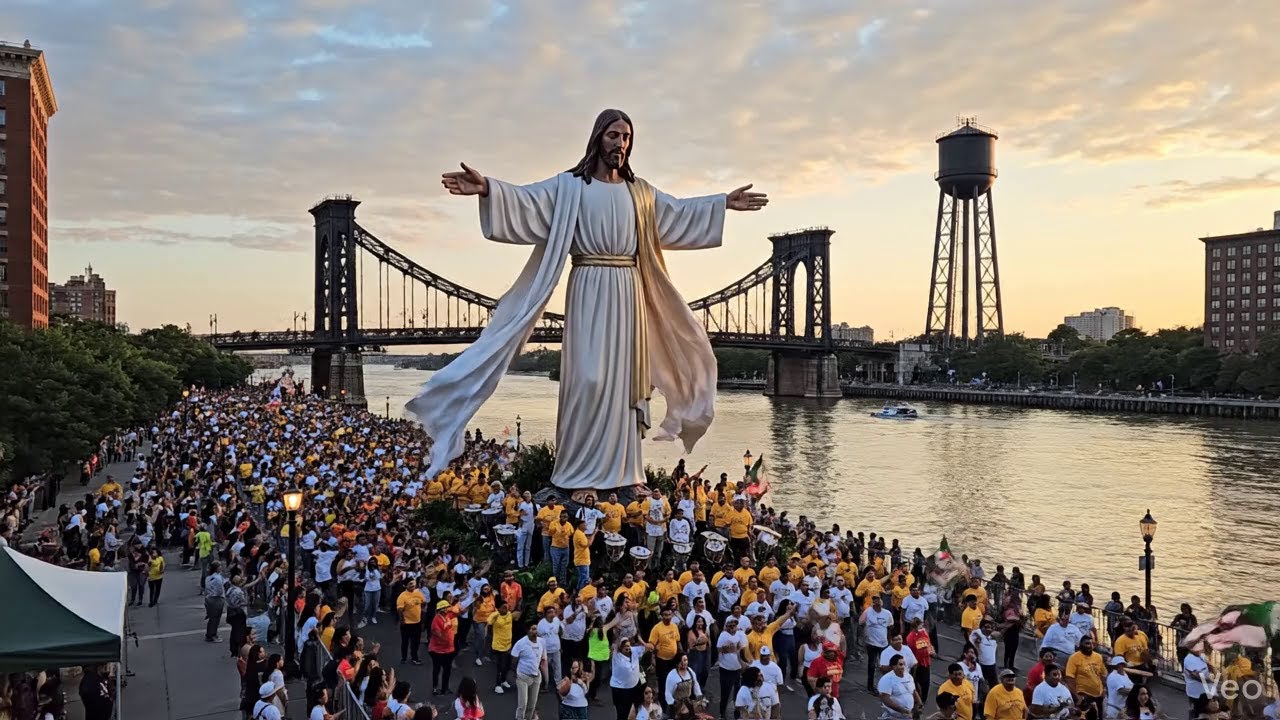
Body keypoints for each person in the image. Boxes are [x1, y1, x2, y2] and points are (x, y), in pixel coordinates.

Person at [411, 108, 769, 497]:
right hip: (587, 286)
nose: (621, 144)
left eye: (627, 137)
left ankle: (625, 474)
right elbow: (529, 201)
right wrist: (488, 189)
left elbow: (679, 213)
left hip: (629, 290)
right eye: (614, 135)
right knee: (588, 379)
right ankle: (578, 475)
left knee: (624, 383)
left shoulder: (641, 193)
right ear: (599, 137)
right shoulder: (569, 188)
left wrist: (721, 203)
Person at [510, 624, 547, 720]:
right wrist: (516, 673)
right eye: (532, 629)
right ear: (528, 631)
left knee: (532, 705)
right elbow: (514, 659)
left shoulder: (542, 642)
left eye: (535, 629)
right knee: (523, 704)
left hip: (536, 677)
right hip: (523, 676)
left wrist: (546, 678)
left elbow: (543, 660)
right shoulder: (520, 643)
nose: (534, 631)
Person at [878, 653, 922, 720]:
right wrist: (902, 710)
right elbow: (885, 699)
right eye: (901, 664)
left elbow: (913, 691)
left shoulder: (909, 677)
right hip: (893, 716)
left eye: (904, 664)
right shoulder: (886, 680)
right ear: (894, 666)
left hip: (908, 715)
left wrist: (919, 703)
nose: (903, 666)